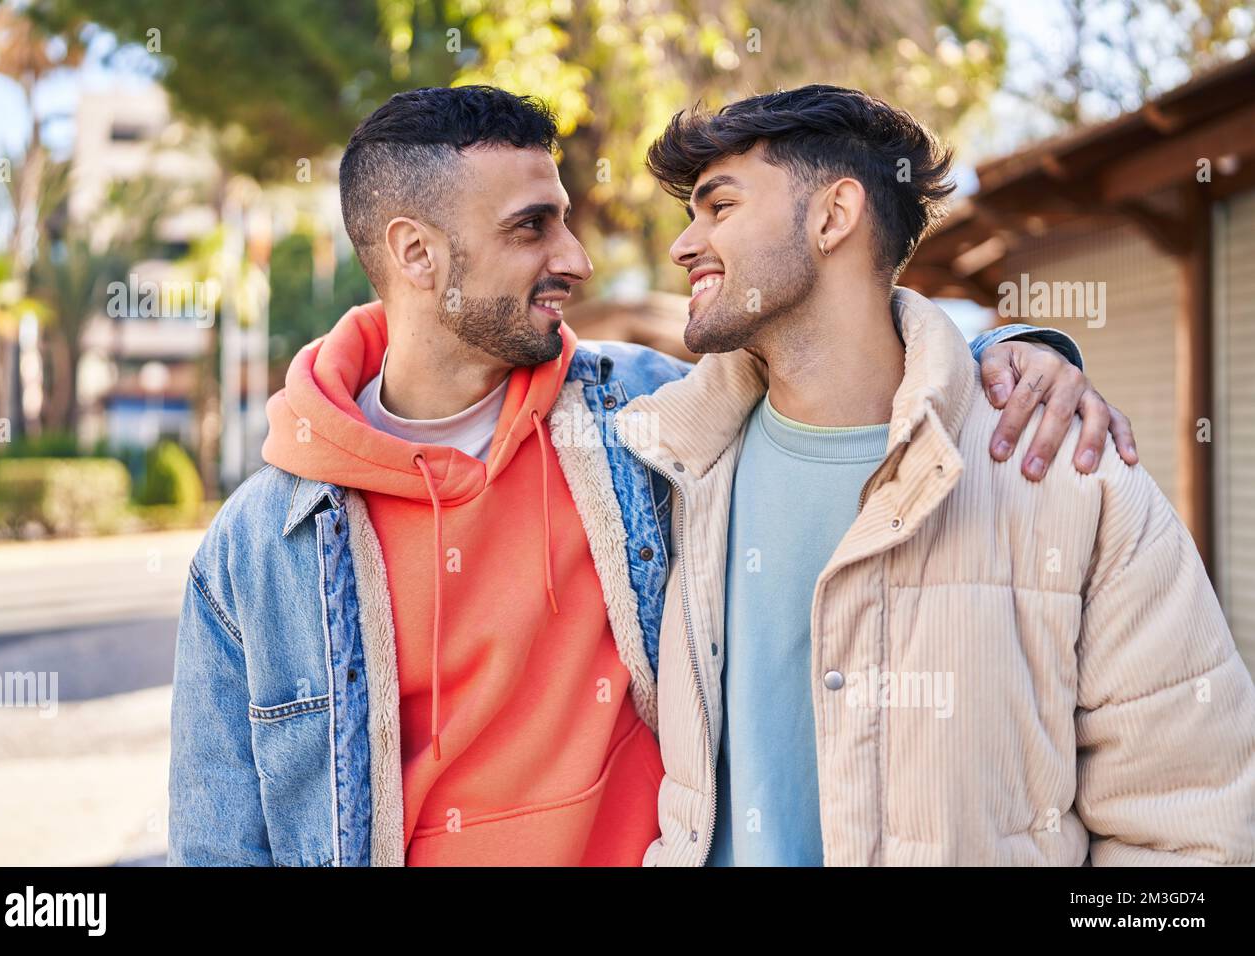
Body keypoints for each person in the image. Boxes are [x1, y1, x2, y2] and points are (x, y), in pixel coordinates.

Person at [167, 85, 1130, 866]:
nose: (576, 260)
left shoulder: (652, 420)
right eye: (532, 228)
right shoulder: (256, 552)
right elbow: (220, 849)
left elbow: (843, 347)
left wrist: (1016, 349)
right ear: (417, 254)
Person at [619, 84, 1255, 866]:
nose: (684, 245)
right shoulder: (661, 470)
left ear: (833, 216)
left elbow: (1192, 836)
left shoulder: (1068, 480)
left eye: (717, 208)